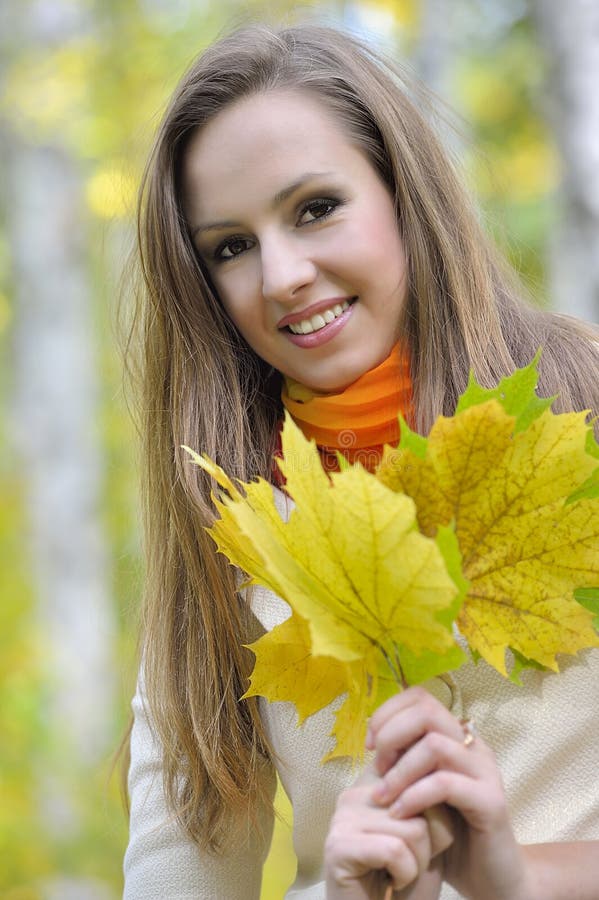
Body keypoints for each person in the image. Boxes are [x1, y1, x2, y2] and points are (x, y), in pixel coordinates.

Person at [122, 21, 599, 900]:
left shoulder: (584, 411)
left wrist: (518, 881)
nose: (282, 275)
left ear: (401, 192)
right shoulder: (227, 532)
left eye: (315, 208)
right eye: (231, 247)